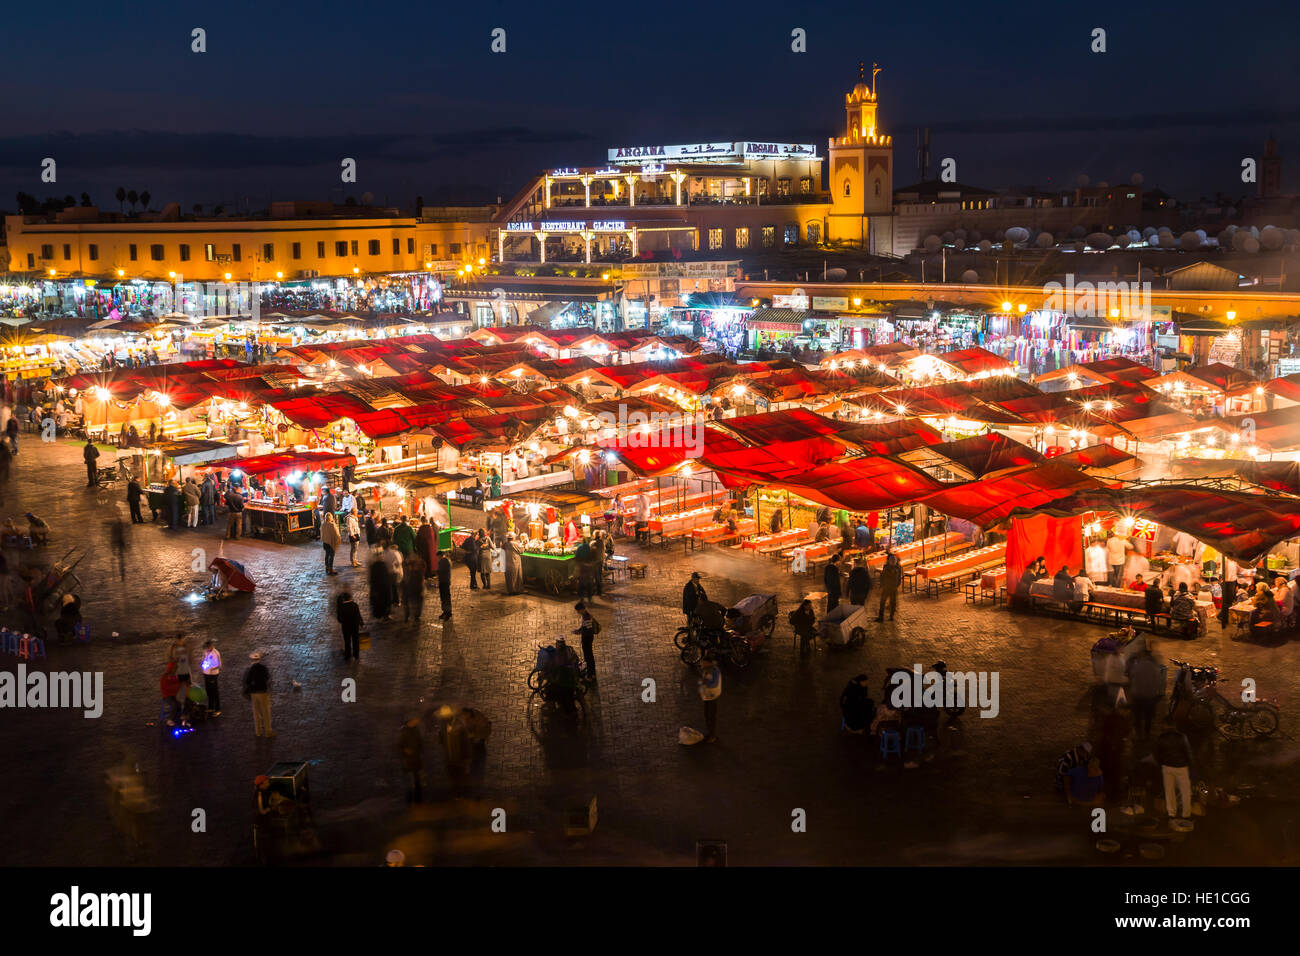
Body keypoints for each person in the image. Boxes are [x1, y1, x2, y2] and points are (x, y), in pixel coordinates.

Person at [1154, 726, 1194, 819]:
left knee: (1169, 791)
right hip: (1181, 767)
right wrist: (1191, 766)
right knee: (1185, 791)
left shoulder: (1162, 737)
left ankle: (1171, 813)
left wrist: (1161, 763)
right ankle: (1186, 814)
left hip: (1167, 767)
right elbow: (1188, 752)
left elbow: (1157, 753)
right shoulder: (1181, 737)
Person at [1127, 646, 1163, 738]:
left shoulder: (1137, 665)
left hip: (1137, 695)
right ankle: (1147, 732)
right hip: (1149, 696)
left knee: (1137, 716)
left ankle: (1138, 733)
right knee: (1148, 717)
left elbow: (1131, 676)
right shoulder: (1154, 667)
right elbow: (1158, 681)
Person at [243, 652, 273, 738]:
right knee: (266, 713)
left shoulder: (250, 670)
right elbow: (267, 677)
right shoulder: (263, 668)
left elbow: (247, 681)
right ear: (259, 660)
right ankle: (268, 732)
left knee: (256, 713)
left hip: (254, 694)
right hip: (263, 692)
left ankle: (258, 732)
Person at [398, 718, 423, 803]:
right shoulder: (404, 732)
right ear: (410, 721)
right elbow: (399, 746)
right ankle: (410, 800)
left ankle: (417, 799)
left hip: (416, 759)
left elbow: (420, 743)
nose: (416, 721)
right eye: (414, 720)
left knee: (417, 780)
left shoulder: (416, 731)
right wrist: (405, 750)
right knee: (409, 780)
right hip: (408, 760)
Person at [697, 656, 721, 743]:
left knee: (711, 715)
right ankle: (709, 733)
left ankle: (712, 736)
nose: (702, 664)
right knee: (707, 714)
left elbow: (714, 683)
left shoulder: (715, 671)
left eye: (703, 662)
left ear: (708, 662)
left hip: (712, 697)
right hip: (707, 696)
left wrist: (705, 684)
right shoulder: (707, 669)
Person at [573, 602, 599, 681]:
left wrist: (579, 632)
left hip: (587, 639)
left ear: (581, 609)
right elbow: (584, 627)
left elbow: (588, 630)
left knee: (588, 657)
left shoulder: (586, 617)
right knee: (589, 656)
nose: (577, 612)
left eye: (578, 611)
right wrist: (579, 630)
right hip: (587, 638)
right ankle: (592, 673)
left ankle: (591, 675)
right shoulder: (585, 615)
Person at [335, 590, 364, 660]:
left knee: (347, 641)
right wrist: (361, 623)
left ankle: (348, 655)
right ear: (350, 598)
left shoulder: (342, 607)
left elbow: (339, 619)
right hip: (355, 626)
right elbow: (358, 615)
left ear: (344, 599)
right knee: (355, 640)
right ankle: (356, 654)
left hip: (346, 627)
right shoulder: (355, 605)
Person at [368, 552, 393, 621]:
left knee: (385, 602)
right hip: (381, 587)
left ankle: (384, 615)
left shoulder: (379, 565)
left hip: (383, 587)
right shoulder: (377, 566)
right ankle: (383, 615)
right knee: (382, 602)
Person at [876, 552, 901, 622]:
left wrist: (897, 585)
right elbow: (882, 577)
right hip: (887, 588)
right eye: (891, 561)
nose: (893, 562)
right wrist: (882, 585)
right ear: (889, 561)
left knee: (892, 603)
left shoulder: (898, 568)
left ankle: (891, 616)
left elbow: (899, 578)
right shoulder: (886, 567)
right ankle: (881, 617)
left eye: (894, 561)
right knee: (882, 602)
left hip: (893, 588)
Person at [200, 640, 222, 717]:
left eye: (207, 648)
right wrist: (203, 662)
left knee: (214, 692)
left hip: (212, 675)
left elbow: (219, 665)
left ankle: (217, 709)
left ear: (211, 646)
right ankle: (211, 707)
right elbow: (204, 660)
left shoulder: (215, 653)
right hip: (206, 674)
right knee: (209, 691)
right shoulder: (206, 652)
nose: (206, 650)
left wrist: (209, 667)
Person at [402, 553, 425, 622]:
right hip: (412, 587)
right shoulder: (416, 569)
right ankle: (413, 615)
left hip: (412, 587)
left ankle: (411, 615)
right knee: (416, 601)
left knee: (413, 601)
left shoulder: (413, 569)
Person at [382, 543, 404, 608]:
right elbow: (399, 561)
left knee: (391, 587)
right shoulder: (396, 553)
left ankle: (392, 601)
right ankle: (397, 601)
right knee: (396, 587)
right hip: (395, 572)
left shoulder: (385, 553)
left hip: (389, 572)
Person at [437, 551, 453, 620]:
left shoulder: (444, 561)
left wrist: (435, 572)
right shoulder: (445, 560)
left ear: (440, 555)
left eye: (437, 556)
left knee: (445, 597)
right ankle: (445, 612)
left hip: (444, 581)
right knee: (444, 597)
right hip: (444, 581)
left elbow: (441, 571)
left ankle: (448, 613)